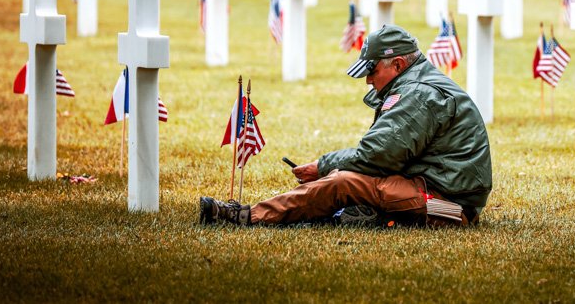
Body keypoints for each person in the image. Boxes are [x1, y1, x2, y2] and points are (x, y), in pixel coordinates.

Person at [199, 25, 492, 228]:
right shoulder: (416, 85)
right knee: (347, 178)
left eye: (372, 70)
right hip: (431, 189)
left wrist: (323, 166)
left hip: (450, 208)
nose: (368, 80)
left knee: (343, 182)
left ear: (398, 65)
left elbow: (376, 156)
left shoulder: (418, 93)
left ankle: (248, 216)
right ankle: (351, 213)